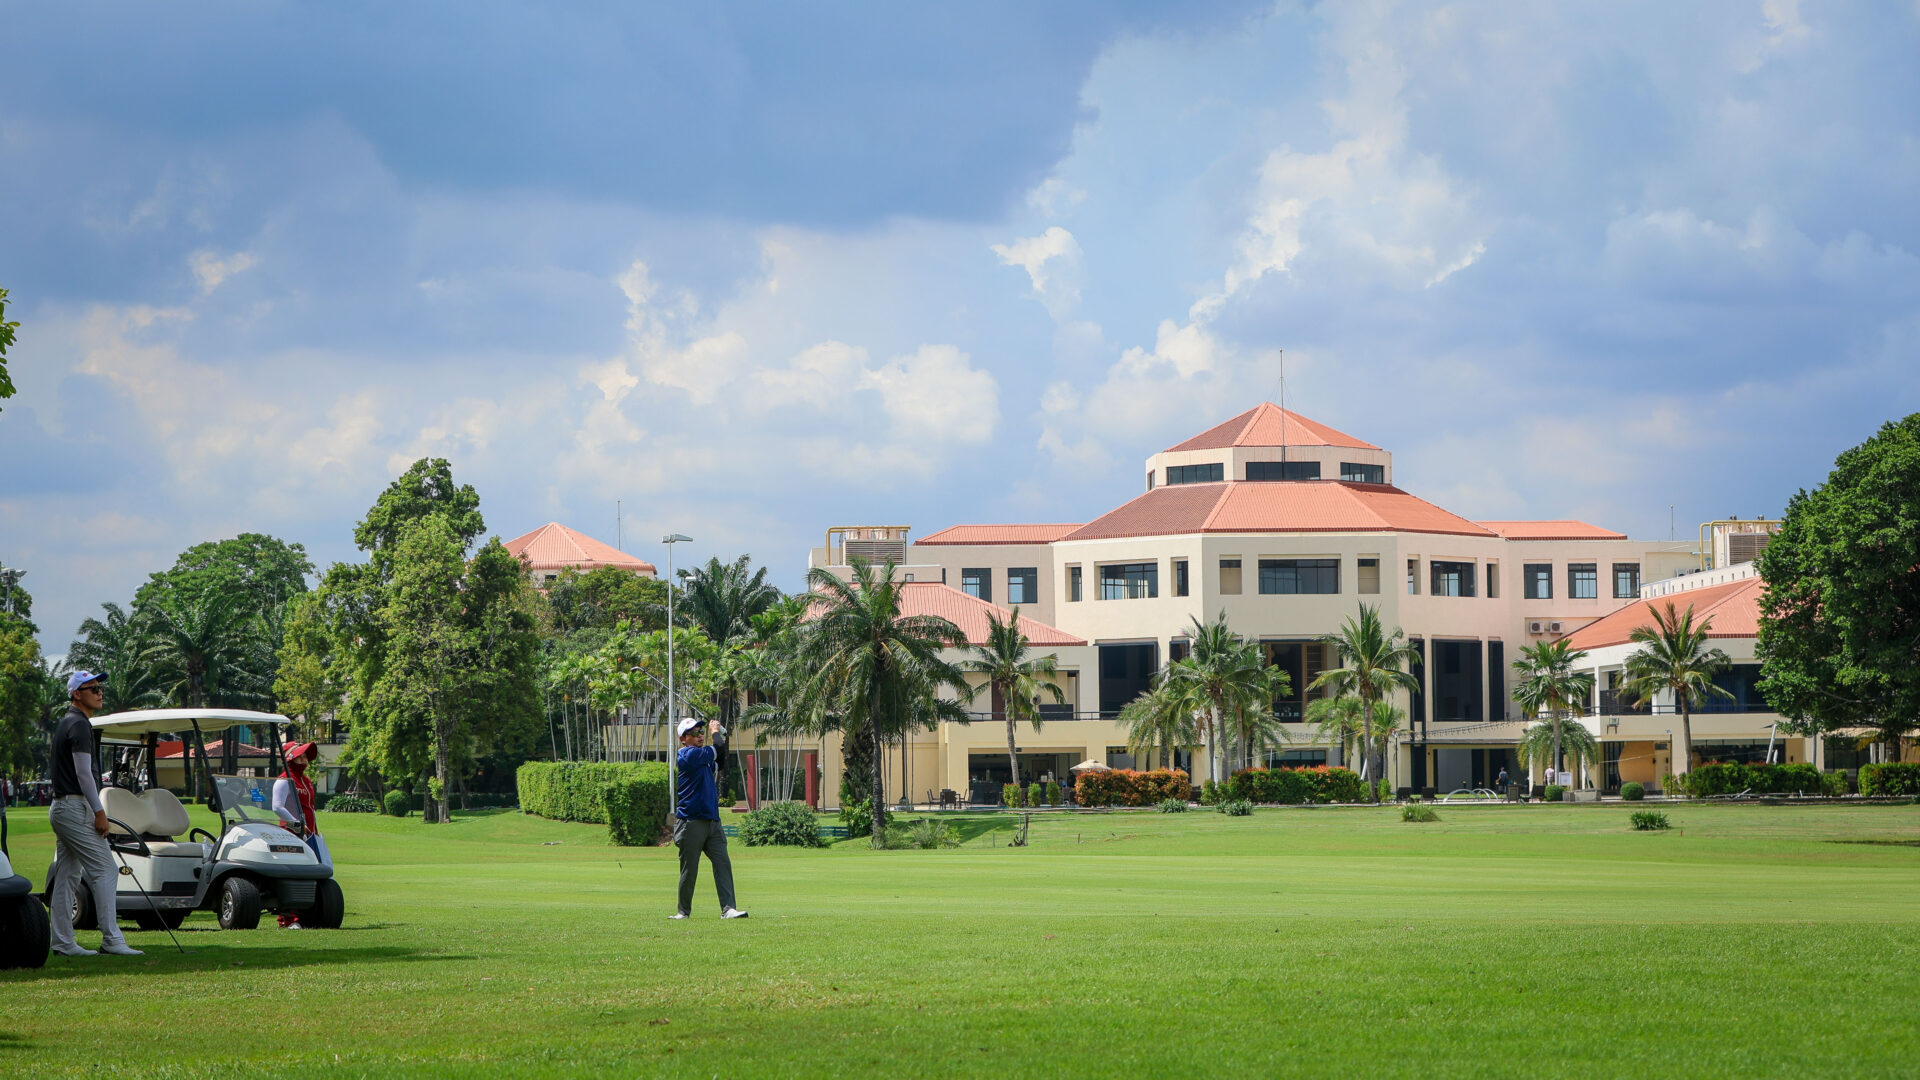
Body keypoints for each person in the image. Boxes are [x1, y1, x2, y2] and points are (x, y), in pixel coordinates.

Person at [47, 671, 142, 957]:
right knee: (105, 869)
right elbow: (85, 775)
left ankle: (63, 942)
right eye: (93, 688)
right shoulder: (78, 724)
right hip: (74, 806)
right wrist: (99, 812)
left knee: (67, 875)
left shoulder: (71, 722)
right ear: (77, 694)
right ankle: (112, 939)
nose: (100, 693)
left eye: (100, 688)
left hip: (64, 807)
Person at [671, 718, 747, 920]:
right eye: (694, 733)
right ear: (683, 739)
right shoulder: (688, 755)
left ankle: (729, 909)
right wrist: (716, 732)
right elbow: (718, 747)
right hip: (691, 822)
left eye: (700, 732)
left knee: (723, 863)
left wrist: (720, 734)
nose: (699, 735)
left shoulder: (703, 760)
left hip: (712, 822)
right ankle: (683, 912)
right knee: (689, 870)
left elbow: (720, 758)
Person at [272, 741, 329, 929]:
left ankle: (309, 916)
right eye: (300, 756)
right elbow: (277, 807)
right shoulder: (284, 779)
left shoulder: (306, 781)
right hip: (290, 834)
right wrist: (295, 824)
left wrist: (315, 830)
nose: (304, 760)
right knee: (293, 877)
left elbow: (310, 808)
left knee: (310, 876)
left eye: (306, 756)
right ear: (290, 757)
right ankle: (288, 919)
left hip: (309, 835)